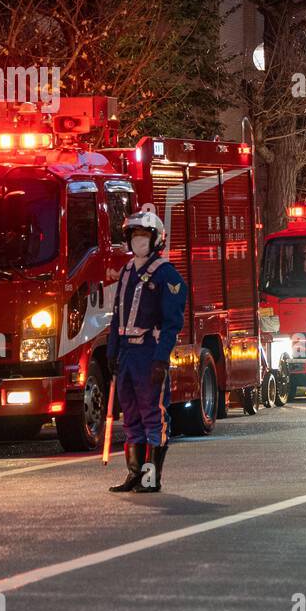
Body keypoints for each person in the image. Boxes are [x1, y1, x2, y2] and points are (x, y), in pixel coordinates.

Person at [107, 210, 187, 494]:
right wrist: (112, 352)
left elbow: (171, 323)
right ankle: (134, 473)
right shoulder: (128, 271)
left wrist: (161, 359)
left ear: (156, 239)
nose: (139, 241)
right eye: (134, 235)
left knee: (153, 413)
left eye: (144, 235)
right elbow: (117, 315)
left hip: (149, 352)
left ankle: (151, 477)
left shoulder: (166, 274)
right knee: (130, 414)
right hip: (126, 353)